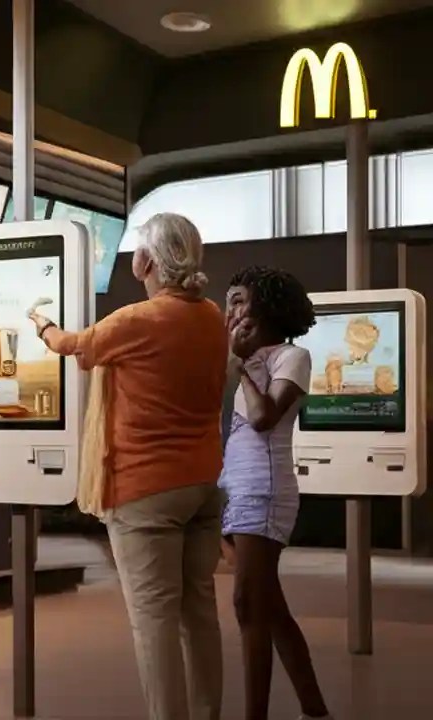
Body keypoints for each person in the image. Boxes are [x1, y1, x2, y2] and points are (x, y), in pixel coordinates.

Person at [29, 212, 228, 720]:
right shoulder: (210, 317)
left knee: (153, 620)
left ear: (146, 261)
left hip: (145, 491)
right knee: (198, 613)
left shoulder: (137, 320)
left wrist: (42, 323)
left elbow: (72, 346)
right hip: (203, 484)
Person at [223, 267, 332, 720]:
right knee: (269, 607)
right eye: (229, 300)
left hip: (263, 492)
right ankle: (315, 708)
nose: (231, 309)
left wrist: (243, 366)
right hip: (235, 489)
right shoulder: (241, 354)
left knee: (250, 606)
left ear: (265, 307)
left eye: (240, 300)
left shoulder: (292, 355)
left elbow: (264, 417)